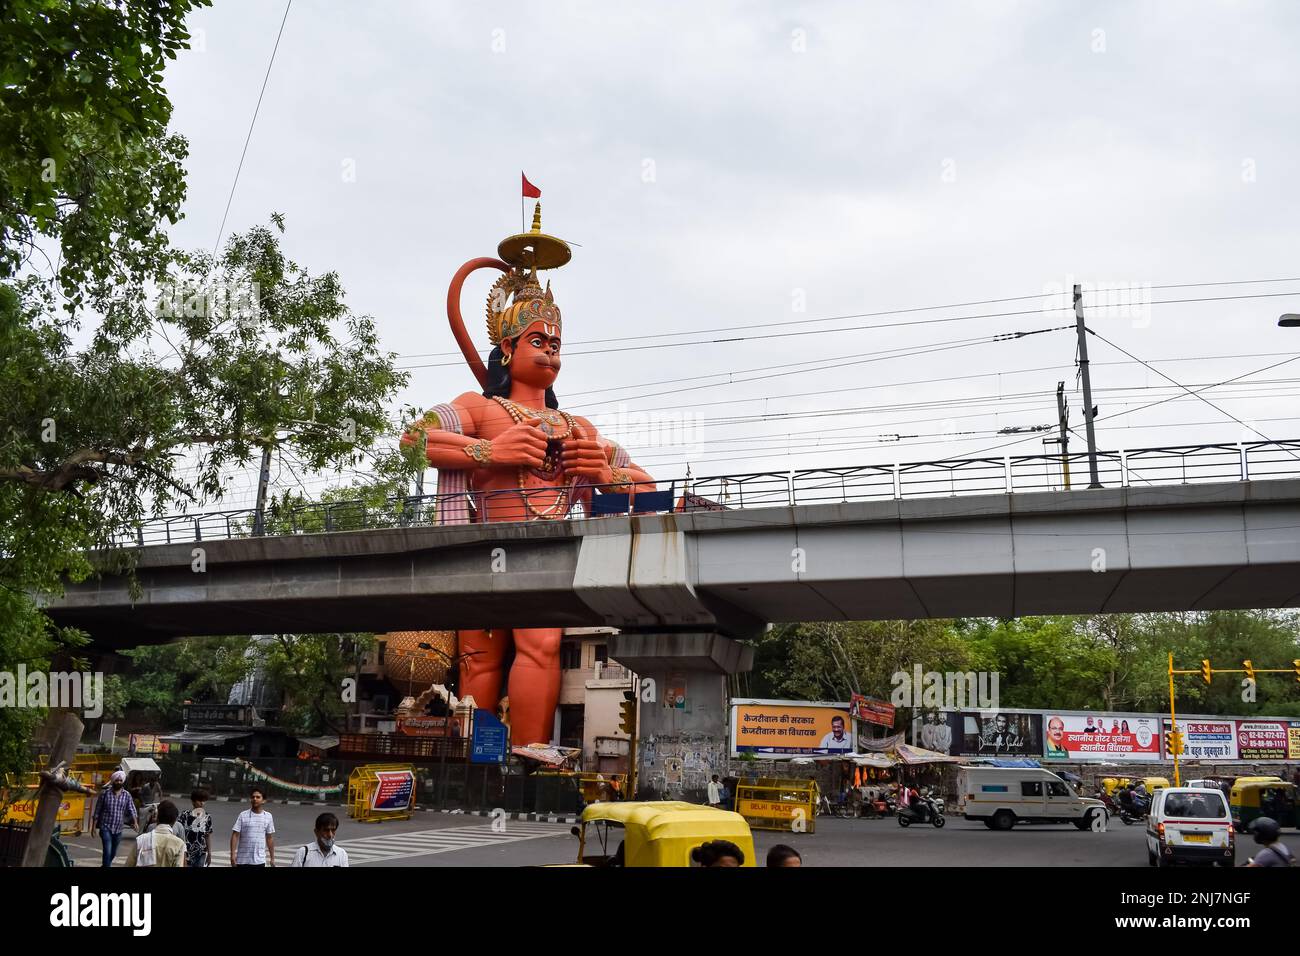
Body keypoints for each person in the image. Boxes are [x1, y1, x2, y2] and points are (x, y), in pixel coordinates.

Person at [92, 769, 138, 867]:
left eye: (120, 781)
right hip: (105, 827)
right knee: (107, 851)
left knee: (113, 853)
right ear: (113, 781)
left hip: (118, 829)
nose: (119, 782)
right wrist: (93, 827)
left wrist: (135, 822)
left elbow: (132, 809)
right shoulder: (105, 794)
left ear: (123, 782)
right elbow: (97, 811)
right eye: (117, 780)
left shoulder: (127, 795)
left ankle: (105, 865)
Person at [126, 800, 185, 867]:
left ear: (157, 818)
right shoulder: (179, 844)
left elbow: (129, 864)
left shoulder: (141, 840)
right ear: (174, 822)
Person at [231, 786, 276, 867]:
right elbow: (235, 835)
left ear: (263, 800)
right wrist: (232, 855)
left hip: (259, 861)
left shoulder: (268, 816)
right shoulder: (243, 815)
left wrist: (272, 858)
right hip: (242, 860)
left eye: (258, 797)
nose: (255, 799)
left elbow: (269, 838)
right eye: (253, 797)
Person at [176, 789, 213, 868]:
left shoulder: (207, 817)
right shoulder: (185, 815)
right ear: (193, 801)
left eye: (204, 801)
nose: (202, 803)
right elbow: (178, 833)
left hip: (201, 853)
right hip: (186, 853)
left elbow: (207, 836)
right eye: (199, 800)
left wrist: (209, 854)